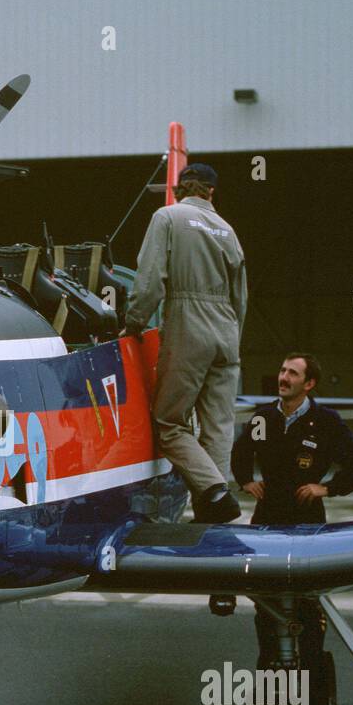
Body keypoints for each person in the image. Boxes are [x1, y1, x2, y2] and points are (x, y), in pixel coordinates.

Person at [122, 163, 248, 523]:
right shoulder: (228, 230)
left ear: (180, 189)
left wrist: (133, 323)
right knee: (218, 424)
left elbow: (149, 281)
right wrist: (232, 340)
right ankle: (213, 509)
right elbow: (241, 297)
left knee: (170, 422)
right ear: (212, 192)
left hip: (189, 323)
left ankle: (214, 491)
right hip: (228, 331)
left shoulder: (167, 217)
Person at [230, 352, 353, 667]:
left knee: (307, 599)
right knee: (266, 599)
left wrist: (329, 488)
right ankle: (269, 665)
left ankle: (310, 668)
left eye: (293, 373)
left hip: (307, 520)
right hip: (267, 519)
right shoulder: (263, 417)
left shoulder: (325, 422)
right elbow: (241, 450)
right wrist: (245, 481)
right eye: (282, 371)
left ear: (309, 384)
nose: (284, 378)